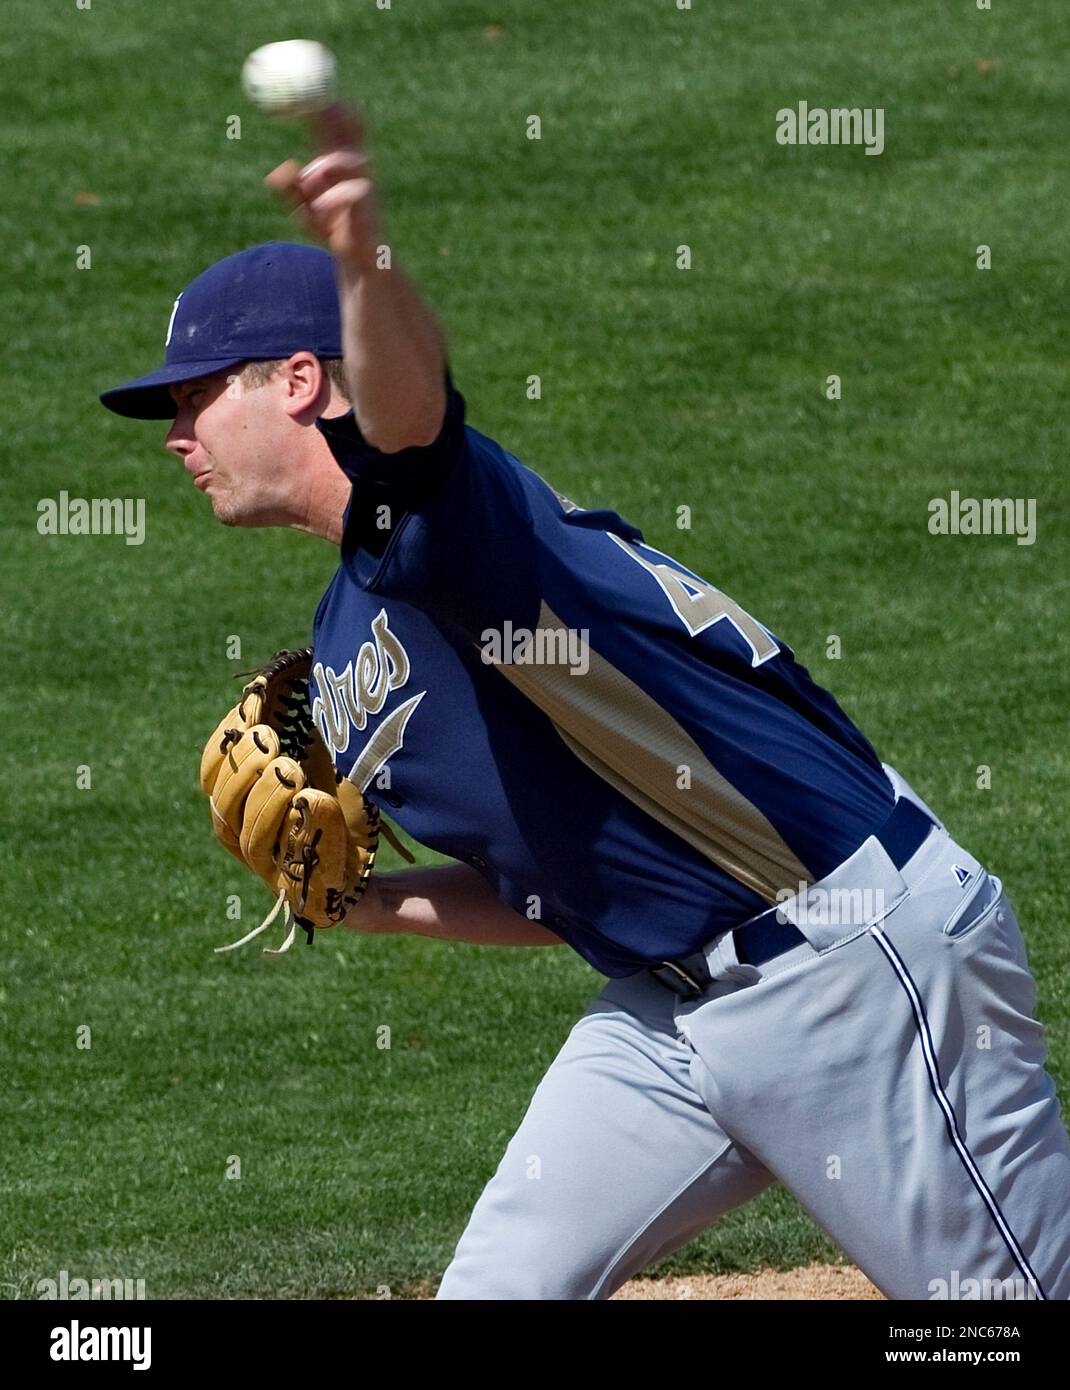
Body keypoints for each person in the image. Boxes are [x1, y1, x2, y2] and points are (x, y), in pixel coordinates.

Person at [100, 105, 1070, 1301]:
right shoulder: (346, 637)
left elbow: (413, 421)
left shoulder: (448, 528)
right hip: (662, 1014)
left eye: (192, 397)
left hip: (855, 961)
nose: (174, 434)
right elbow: (552, 894)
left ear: (301, 380)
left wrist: (364, 254)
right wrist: (364, 905)